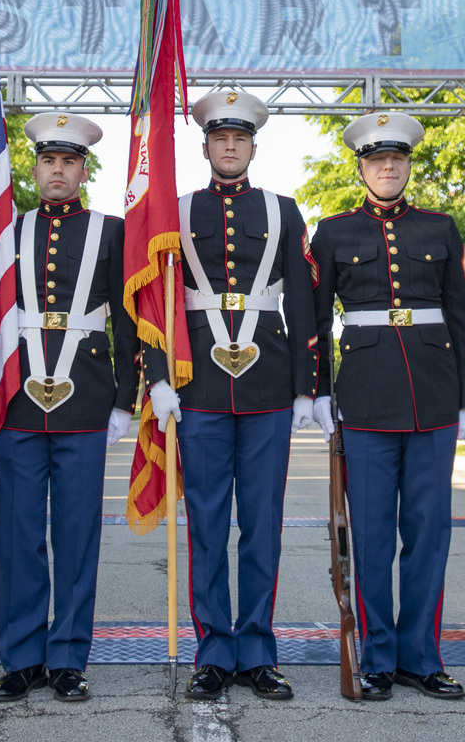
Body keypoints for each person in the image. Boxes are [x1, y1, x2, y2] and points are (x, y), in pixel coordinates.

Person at [147, 88, 319, 702]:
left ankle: (258, 651)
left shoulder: (284, 209)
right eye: (220, 139)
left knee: (263, 527)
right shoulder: (175, 209)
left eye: (239, 139)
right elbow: (153, 300)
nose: (229, 147)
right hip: (199, 389)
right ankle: (213, 652)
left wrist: (308, 388)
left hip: (270, 385)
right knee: (208, 526)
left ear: (252, 146)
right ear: (204, 147)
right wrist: (158, 375)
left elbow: (302, 300)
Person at [310, 111, 465, 702]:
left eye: (398, 159)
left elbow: (463, 318)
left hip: (434, 398)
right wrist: (319, 391)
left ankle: (421, 657)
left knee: (429, 534)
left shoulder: (440, 228)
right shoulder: (331, 233)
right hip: (363, 399)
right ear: (360, 166)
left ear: (408, 164)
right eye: (378, 159)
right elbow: (313, 321)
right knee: (374, 536)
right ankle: (378, 657)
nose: (388, 167)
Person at [0, 114, 142, 703]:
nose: (58, 170)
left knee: (76, 535)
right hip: (17, 401)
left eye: (69, 161)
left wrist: (127, 396)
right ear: (34, 168)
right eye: (49, 161)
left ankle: (69, 657)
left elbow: (127, 320)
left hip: (85, 397)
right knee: (19, 534)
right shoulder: (4, 231)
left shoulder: (113, 231)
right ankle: (21, 658)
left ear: (83, 169)